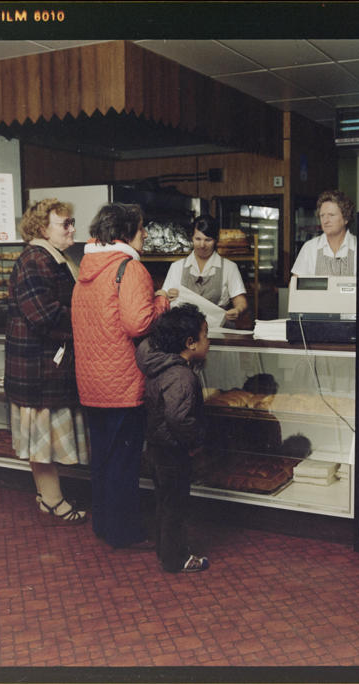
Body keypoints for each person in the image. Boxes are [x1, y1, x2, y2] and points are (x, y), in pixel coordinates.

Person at [71, 202, 174, 549]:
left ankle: (104, 524)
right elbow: (138, 323)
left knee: (102, 458)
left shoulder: (86, 268)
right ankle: (124, 532)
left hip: (91, 382)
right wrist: (162, 301)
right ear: (125, 232)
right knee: (124, 462)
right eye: (141, 227)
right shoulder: (130, 269)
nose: (145, 233)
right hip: (122, 382)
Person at [5, 198, 88, 525]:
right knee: (42, 438)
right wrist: (90, 318)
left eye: (71, 222)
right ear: (42, 229)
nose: (72, 229)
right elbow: (45, 316)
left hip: (41, 366)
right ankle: (53, 501)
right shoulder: (34, 260)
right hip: (38, 368)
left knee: (43, 438)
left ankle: (47, 496)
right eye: (65, 223)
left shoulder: (51, 257)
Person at [135, 303, 210, 573]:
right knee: (175, 506)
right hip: (173, 451)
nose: (208, 341)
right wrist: (196, 441)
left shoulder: (159, 367)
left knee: (164, 503)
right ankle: (176, 559)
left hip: (156, 447)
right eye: (205, 335)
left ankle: (164, 550)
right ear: (190, 343)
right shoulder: (182, 376)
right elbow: (179, 418)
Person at [161, 215, 248, 325]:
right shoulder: (177, 267)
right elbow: (162, 296)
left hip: (218, 328)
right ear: (191, 238)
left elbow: (241, 301)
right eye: (198, 239)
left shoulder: (229, 267)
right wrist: (167, 296)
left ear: (216, 240)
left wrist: (238, 310)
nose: (202, 245)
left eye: (208, 240)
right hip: (184, 330)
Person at [291, 189, 357, 276]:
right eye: (322, 215)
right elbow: (295, 284)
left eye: (331, 215)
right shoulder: (310, 248)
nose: (325, 221)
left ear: (346, 218)